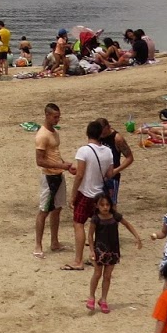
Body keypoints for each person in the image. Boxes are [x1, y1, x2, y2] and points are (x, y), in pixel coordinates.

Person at [66, 121, 115, 271]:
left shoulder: (84, 151)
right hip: (100, 194)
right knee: (98, 226)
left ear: (87, 133)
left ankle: (78, 260)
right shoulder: (108, 151)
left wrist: (73, 194)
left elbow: (80, 174)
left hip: (85, 192)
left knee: (79, 224)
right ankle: (96, 256)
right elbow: (109, 174)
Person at [85, 192, 143, 314]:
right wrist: (91, 250)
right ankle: (91, 297)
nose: (105, 207)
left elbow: (127, 224)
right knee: (97, 274)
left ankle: (104, 299)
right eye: (102, 205)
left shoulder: (114, 216)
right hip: (99, 250)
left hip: (113, 250)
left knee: (107, 276)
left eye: (107, 204)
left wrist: (137, 237)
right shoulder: (95, 219)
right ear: (97, 206)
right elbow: (90, 235)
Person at [34, 103, 76, 259]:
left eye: (58, 116)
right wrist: (61, 165)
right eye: (55, 116)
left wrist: (66, 166)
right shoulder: (42, 135)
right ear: (47, 115)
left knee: (57, 209)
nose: (58, 119)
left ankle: (54, 241)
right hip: (48, 177)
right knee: (44, 211)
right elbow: (40, 161)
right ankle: (38, 245)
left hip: (59, 174)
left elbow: (54, 154)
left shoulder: (54, 132)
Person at [97, 118, 135, 206]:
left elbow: (129, 158)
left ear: (108, 127)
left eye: (104, 132)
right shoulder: (96, 135)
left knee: (110, 204)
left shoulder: (117, 138)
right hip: (98, 174)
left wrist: (116, 170)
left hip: (112, 176)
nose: (102, 135)